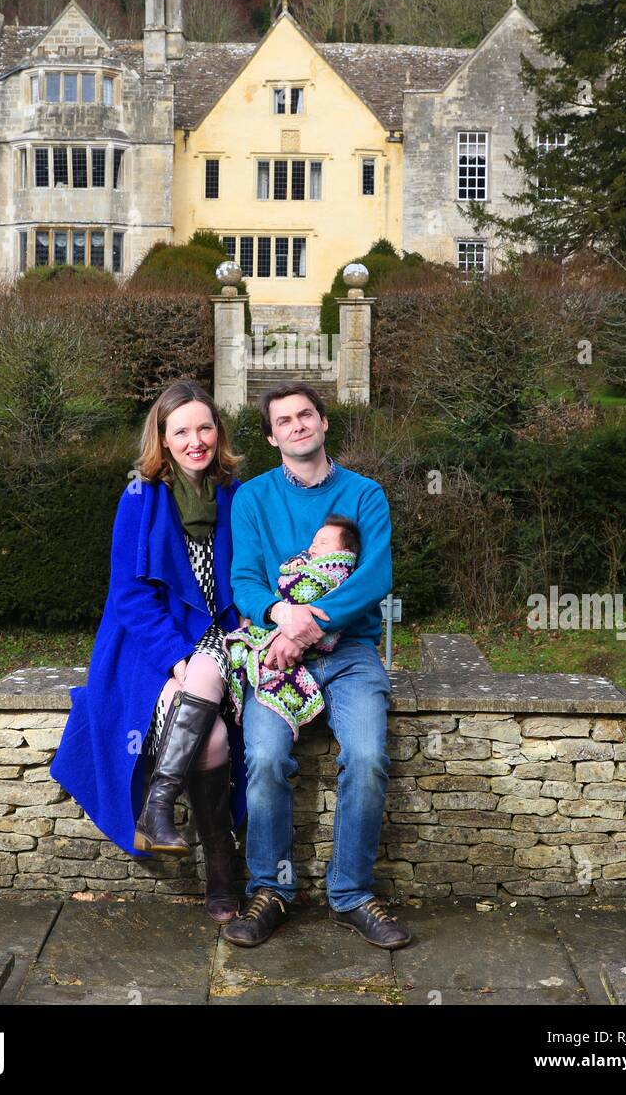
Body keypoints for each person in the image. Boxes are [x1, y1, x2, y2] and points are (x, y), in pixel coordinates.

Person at [49, 377, 247, 923]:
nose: (195, 440)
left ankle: (163, 809)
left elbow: (246, 576)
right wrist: (175, 659)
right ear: (163, 437)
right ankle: (222, 872)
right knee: (209, 741)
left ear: (218, 431)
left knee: (211, 728)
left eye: (205, 426)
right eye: (181, 430)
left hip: (221, 633)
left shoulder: (234, 493)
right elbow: (130, 596)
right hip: (148, 640)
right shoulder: (141, 495)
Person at [224, 382, 412, 950]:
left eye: (307, 415)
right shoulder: (252, 499)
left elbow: (374, 577)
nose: (298, 425)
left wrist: (314, 623)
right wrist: (287, 620)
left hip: (350, 655)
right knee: (262, 757)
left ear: (324, 423)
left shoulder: (365, 494)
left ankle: (352, 894)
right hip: (277, 655)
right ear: (270, 435)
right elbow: (245, 582)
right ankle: (270, 891)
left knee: (367, 757)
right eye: (284, 420)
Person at [223, 516, 359, 738]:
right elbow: (266, 582)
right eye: (314, 541)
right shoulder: (306, 563)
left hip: (325, 646)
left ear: (343, 553)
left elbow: (305, 592)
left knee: (366, 754)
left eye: (323, 543)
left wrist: (295, 634)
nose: (314, 546)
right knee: (264, 753)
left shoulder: (336, 573)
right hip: (280, 626)